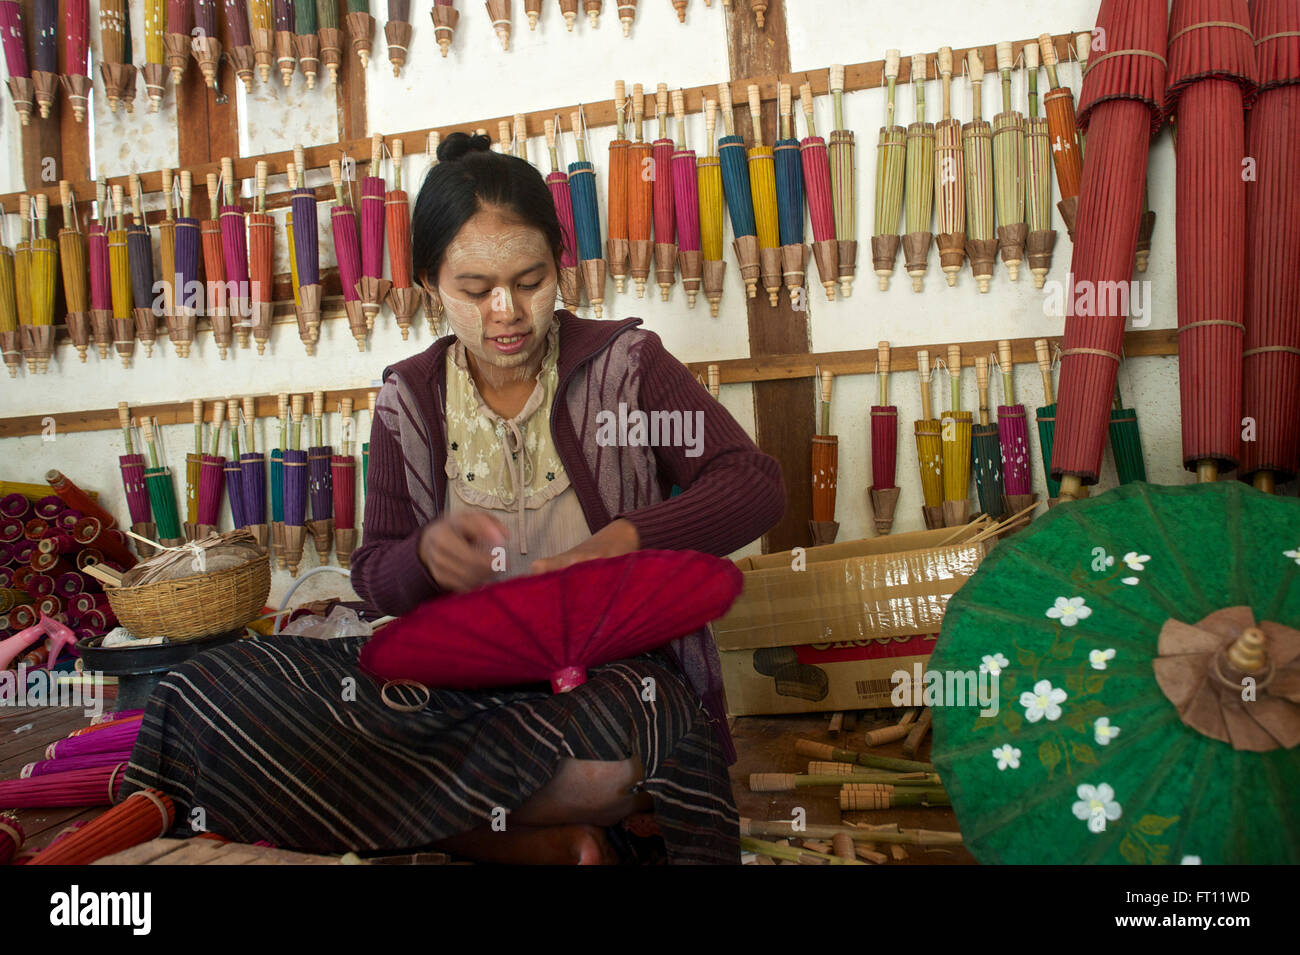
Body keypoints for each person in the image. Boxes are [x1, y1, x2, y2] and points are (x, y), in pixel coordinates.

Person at [122, 131, 784, 865]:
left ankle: (489, 827)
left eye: (530, 280)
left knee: (621, 749)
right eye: (474, 290)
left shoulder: (622, 370)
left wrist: (616, 543)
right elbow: (375, 575)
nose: (507, 311)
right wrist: (425, 557)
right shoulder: (412, 398)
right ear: (431, 281)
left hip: (604, 685)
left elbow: (751, 484)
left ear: (561, 265)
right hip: (461, 697)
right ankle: (537, 840)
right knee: (208, 692)